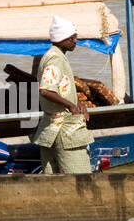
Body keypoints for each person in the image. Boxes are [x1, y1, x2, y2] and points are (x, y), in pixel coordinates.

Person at [31, 16, 93, 174]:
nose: (75, 41)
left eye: (75, 36)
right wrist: (71, 105)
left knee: (53, 180)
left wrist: (77, 101)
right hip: (65, 131)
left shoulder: (54, 56)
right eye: (72, 37)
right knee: (80, 177)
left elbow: (60, 88)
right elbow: (46, 90)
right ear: (63, 39)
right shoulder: (56, 59)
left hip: (51, 128)